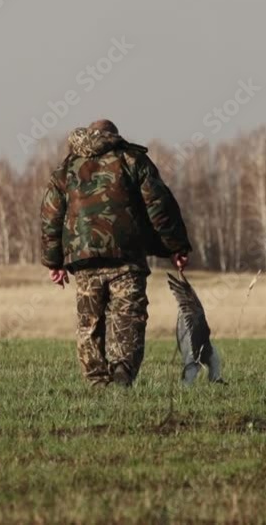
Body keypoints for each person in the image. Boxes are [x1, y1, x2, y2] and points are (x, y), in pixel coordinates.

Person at [40, 119, 192, 386]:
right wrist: (175, 247)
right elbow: (159, 206)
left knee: (90, 323)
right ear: (115, 136)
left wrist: (54, 262)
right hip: (127, 257)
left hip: (84, 260)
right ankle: (122, 373)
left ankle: (97, 381)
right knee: (129, 316)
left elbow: (51, 217)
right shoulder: (132, 160)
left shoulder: (66, 169)